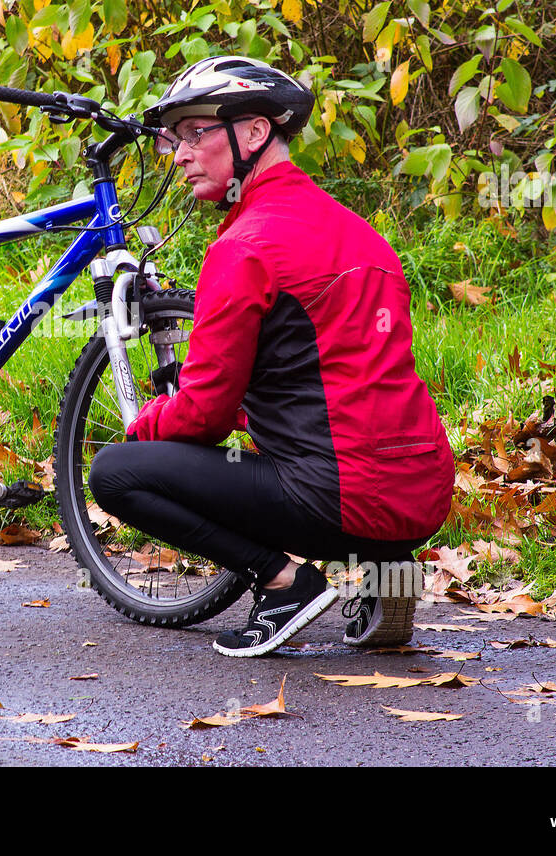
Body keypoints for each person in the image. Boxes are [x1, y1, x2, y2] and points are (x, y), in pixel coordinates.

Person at [88, 55, 455, 657]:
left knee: (115, 474)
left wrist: (144, 425)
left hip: (338, 494)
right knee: (335, 439)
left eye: (194, 133)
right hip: (423, 488)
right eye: (173, 138)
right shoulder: (363, 234)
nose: (178, 154)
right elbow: (330, 376)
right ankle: (390, 568)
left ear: (254, 132)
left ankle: (286, 584)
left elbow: (205, 413)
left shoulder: (244, 247)